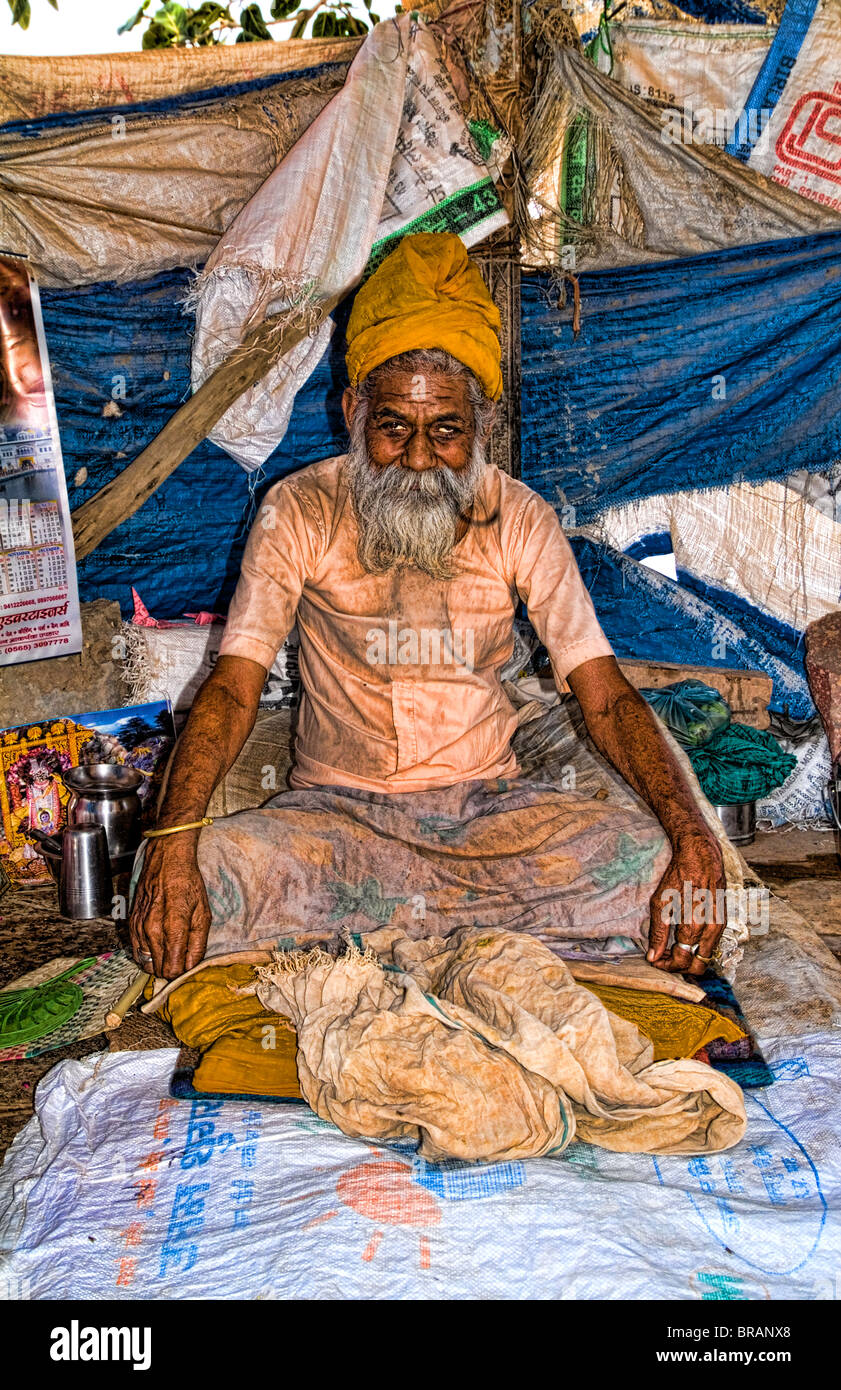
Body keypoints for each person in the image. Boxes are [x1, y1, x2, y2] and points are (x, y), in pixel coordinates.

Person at [130, 233, 726, 982]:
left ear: (481, 424)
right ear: (353, 409)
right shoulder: (299, 510)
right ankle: (477, 945)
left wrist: (692, 836)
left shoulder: (519, 514)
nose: (417, 458)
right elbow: (233, 684)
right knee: (203, 880)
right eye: (392, 428)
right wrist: (175, 839)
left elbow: (601, 696)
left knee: (663, 871)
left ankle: (400, 946)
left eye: (445, 431)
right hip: (338, 828)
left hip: (490, 823)